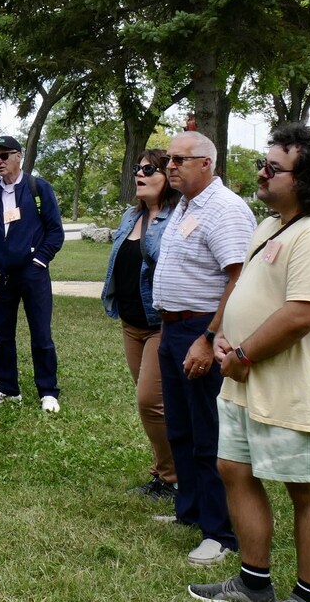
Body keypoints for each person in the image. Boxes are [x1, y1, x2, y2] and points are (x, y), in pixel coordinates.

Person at [188, 124, 310, 602]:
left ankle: (307, 596)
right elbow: (248, 291)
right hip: (244, 376)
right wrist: (221, 337)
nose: (260, 173)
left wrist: (243, 355)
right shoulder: (273, 224)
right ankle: (253, 584)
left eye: (272, 168)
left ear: (306, 179)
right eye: (264, 164)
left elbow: (302, 313)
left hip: (294, 384)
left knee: (305, 489)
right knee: (234, 470)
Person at [152, 130, 255, 566]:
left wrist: (209, 337)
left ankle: (220, 532)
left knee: (211, 432)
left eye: (180, 159)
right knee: (182, 427)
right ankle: (190, 511)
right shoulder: (187, 205)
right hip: (173, 328)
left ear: (206, 164)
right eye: (169, 159)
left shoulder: (227, 209)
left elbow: (239, 279)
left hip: (201, 331)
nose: (170, 166)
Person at [101, 149, 180, 501]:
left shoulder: (177, 218)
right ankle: (169, 471)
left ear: (168, 177)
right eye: (138, 168)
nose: (140, 174)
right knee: (158, 403)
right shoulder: (129, 216)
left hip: (159, 324)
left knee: (150, 401)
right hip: (131, 324)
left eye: (150, 169)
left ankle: (171, 476)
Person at [0, 135, 66, 412]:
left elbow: (55, 232)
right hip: (0, 276)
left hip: (33, 274)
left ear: (19, 156)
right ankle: (7, 387)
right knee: (2, 335)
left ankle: (48, 391)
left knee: (41, 333)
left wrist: (39, 261)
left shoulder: (38, 188)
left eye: (4, 156)